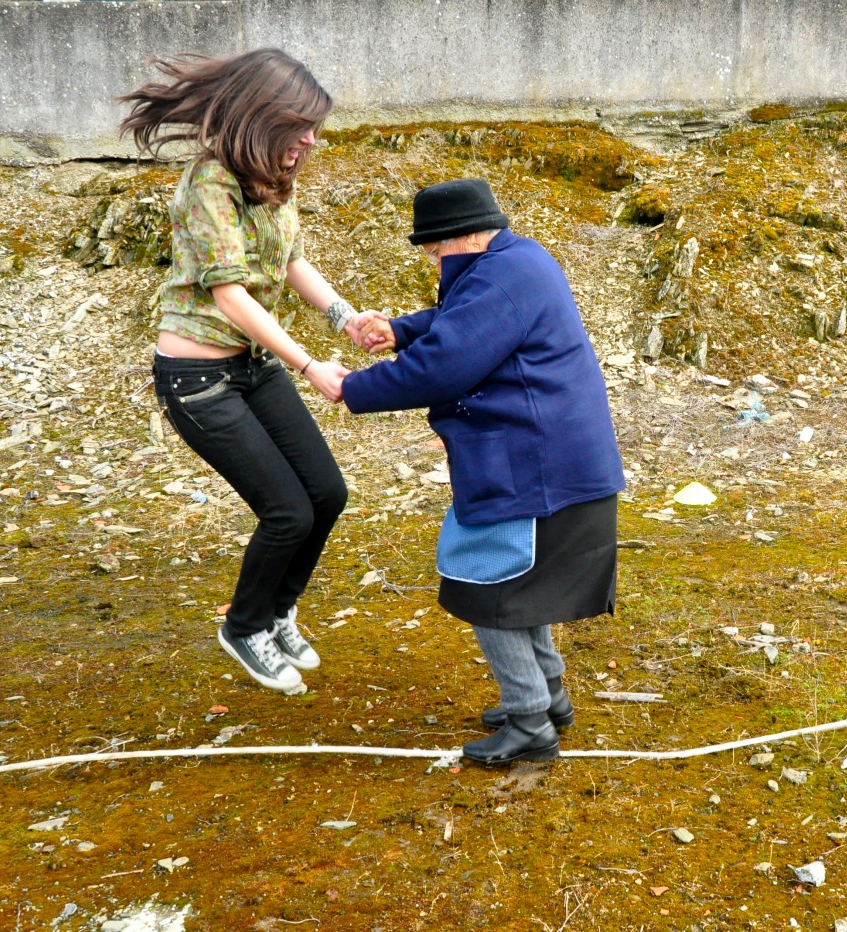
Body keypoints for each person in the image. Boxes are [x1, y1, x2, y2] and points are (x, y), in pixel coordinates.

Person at [119, 49, 378, 693]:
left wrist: (346, 318)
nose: (311, 140)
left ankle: (277, 613)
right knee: (287, 511)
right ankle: (243, 627)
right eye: (301, 126)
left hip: (253, 367)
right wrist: (312, 363)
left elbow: (292, 261)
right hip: (198, 381)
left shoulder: (272, 179)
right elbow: (231, 296)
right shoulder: (210, 185)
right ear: (262, 118)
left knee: (328, 495)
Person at [342, 178, 624, 765]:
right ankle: (548, 697)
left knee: (487, 586)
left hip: (532, 470)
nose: (432, 260)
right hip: (555, 464)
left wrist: (350, 388)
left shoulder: (499, 277)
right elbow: (466, 320)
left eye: (433, 251)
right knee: (524, 589)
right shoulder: (519, 261)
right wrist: (401, 329)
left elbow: (445, 364)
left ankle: (529, 725)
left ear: (463, 237)